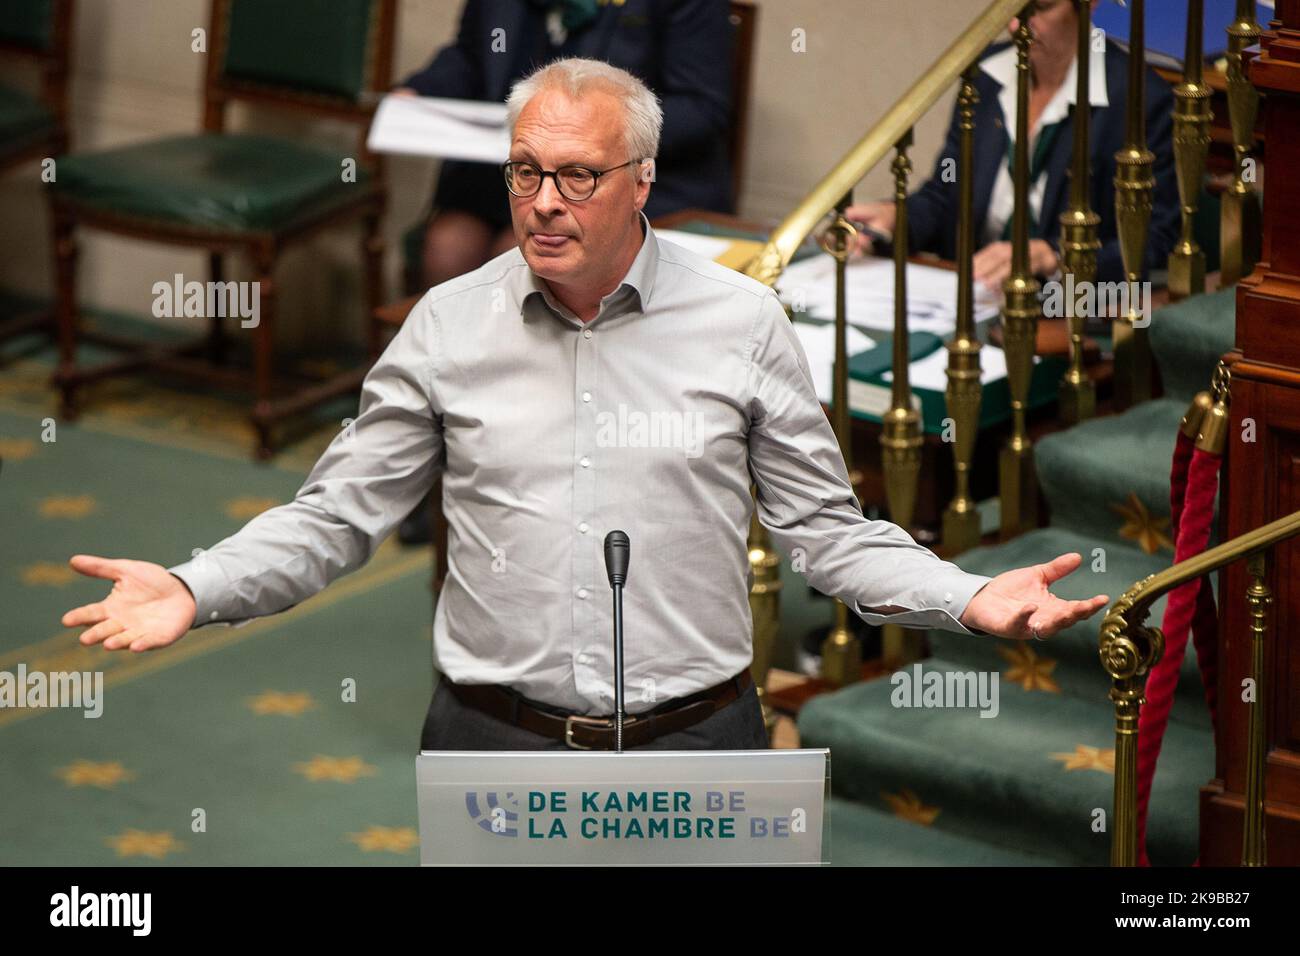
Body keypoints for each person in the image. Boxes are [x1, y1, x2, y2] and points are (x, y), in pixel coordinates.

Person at [60, 58, 1109, 753]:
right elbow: (338, 516)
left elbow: (826, 537)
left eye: (575, 174)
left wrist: (962, 595)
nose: (543, 201)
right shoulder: (445, 324)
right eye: (524, 172)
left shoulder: (742, 323)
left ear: (642, 179)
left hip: (697, 739)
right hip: (491, 737)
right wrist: (198, 586)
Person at [847, 0, 1178, 301]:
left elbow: (1155, 242)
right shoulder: (985, 76)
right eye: (1010, 8)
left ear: (1089, 5)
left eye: (1040, 7)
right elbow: (946, 195)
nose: (1017, 26)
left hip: (1068, 312)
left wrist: (1055, 256)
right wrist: (896, 219)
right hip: (977, 300)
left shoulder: (1141, 100)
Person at [398, 0, 734, 289]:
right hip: (514, 169)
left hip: (625, 173)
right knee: (448, 245)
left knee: (517, 254)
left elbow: (701, 107)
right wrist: (421, 91)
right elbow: (471, 55)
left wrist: (602, 136)